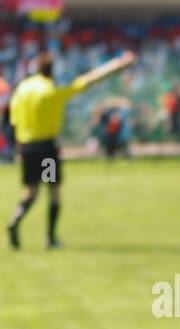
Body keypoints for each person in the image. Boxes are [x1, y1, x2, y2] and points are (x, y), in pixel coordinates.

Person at [6, 49, 135, 250]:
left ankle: (15, 220)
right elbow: (88, 80)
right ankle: (50, 238)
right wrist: (118, 65)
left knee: (31, 191)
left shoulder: (22, 89)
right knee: (53, 191)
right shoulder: (52, 90)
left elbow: (13, 119)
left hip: (26, 147)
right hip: (46, 148)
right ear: (52, 70)